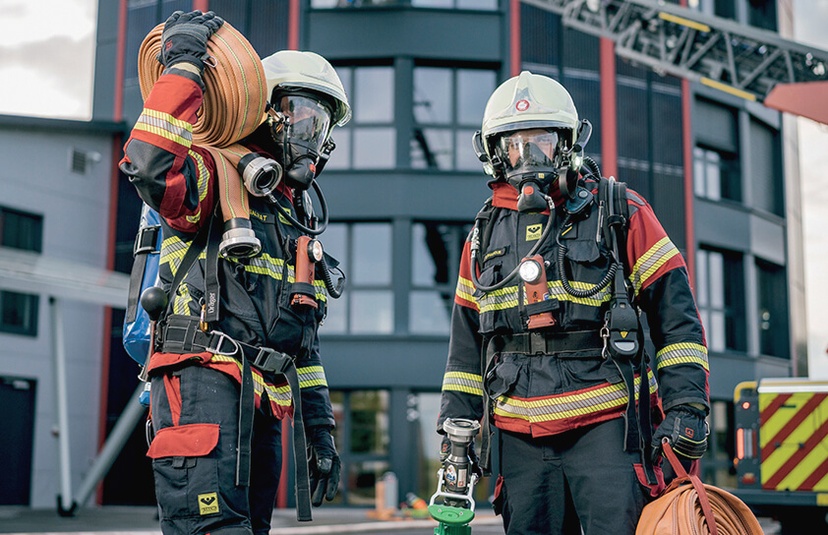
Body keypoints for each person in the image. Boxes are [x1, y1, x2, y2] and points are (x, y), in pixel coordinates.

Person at [436, 71, 710, 535]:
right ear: (494, 153)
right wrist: (456, 435)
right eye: (513, 145)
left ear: (566, 144)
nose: (526, 157)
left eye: (539, 142)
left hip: (608, 433)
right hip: (518, 439)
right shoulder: (482, 237)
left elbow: (676, 319)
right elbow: (466, 348)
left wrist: (686, 408)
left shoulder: (620, 212)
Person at [119, 10, 350, 535]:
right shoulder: (208, 172)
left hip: (262, 404)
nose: (308, 134)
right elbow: (150, 165)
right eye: (299, 114)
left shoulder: (290, 220)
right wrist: (184, 67)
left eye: (320, 122)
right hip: (202, 386)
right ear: (264, 112)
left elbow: (304, 346)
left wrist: (320, 431)